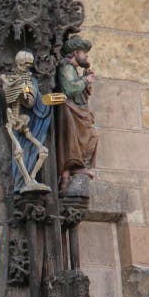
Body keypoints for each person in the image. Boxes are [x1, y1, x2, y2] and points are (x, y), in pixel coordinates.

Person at [0, 50, 52, 192]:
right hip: (14, 119)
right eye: (24, 66)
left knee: (43, 150)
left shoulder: (28, 81)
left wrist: (27, 92)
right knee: (20, 151)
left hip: (25, 120)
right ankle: (27, 180)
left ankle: (31, 178)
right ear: (18, 64)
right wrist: (18, 87)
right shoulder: (11, 79)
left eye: (28, 66)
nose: (26, 69)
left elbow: (29, 102)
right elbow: (8, 94)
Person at [56, 36, 98, 190]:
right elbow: (69, 89)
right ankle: (71, 169)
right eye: (84, 53)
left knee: (84, 139)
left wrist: (85, 79)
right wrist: (85, 81)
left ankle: (72, 171)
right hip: (71, 111)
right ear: (75, 53)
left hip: (76, 110)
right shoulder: (66, 67)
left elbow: (78, 90)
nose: (86, 56)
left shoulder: (72, 69)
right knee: (85, 137)